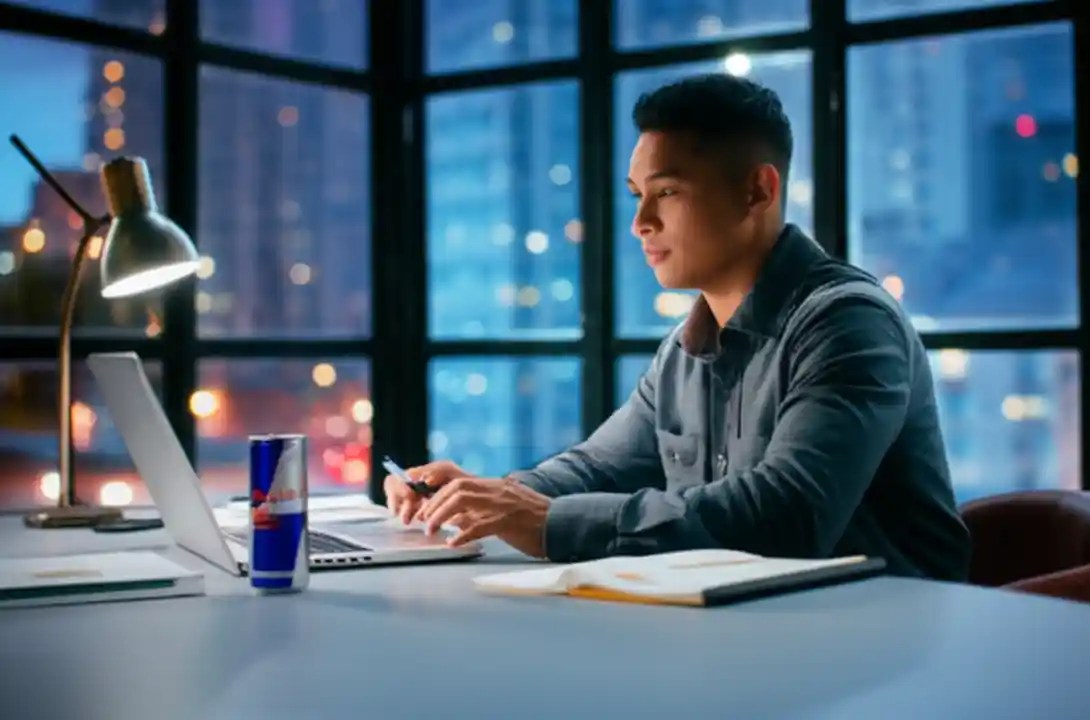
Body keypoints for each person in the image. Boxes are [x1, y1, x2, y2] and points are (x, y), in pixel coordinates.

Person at [387, 73, 971, 581]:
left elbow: (789, 513)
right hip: (754, 640)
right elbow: (597, 468)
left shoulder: (847, 322)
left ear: (757, 190)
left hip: (888, 646)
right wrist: (488, 496)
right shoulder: (687, 349)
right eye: (638, 196)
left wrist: (544, 521)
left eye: (666, 192)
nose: (640, 222)